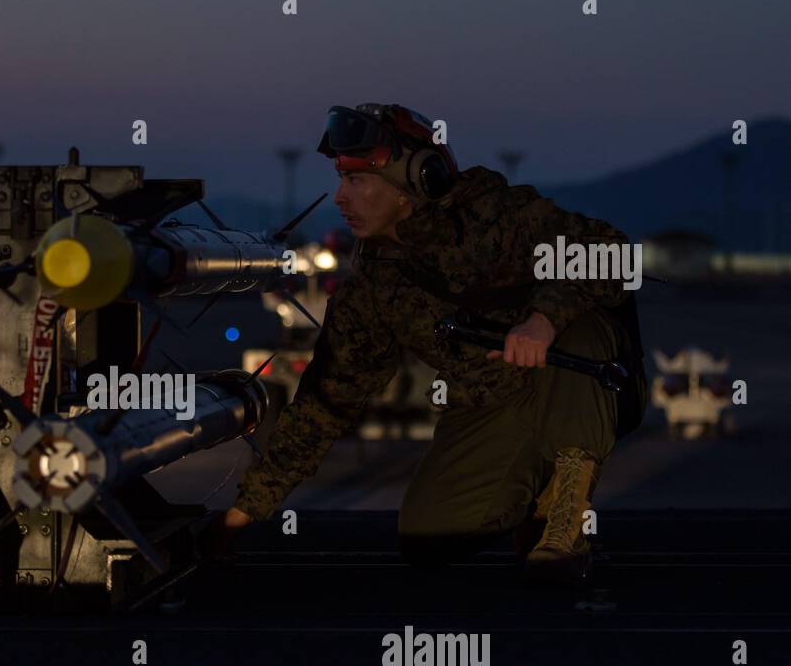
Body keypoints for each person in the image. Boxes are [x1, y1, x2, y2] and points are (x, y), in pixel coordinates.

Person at [215, 103, 646, 583]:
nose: (339, 197)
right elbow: (326, 400)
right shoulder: (373, 287)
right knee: (428, 537)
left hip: (584, 379)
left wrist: (545, 318)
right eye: (341, 179)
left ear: (412, 184)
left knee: (580, 328)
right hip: (490, 404)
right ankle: (538, 498)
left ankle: (569, 512)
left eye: (357, 181)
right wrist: (244, 513)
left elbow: (612, 253)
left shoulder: (495, 215)